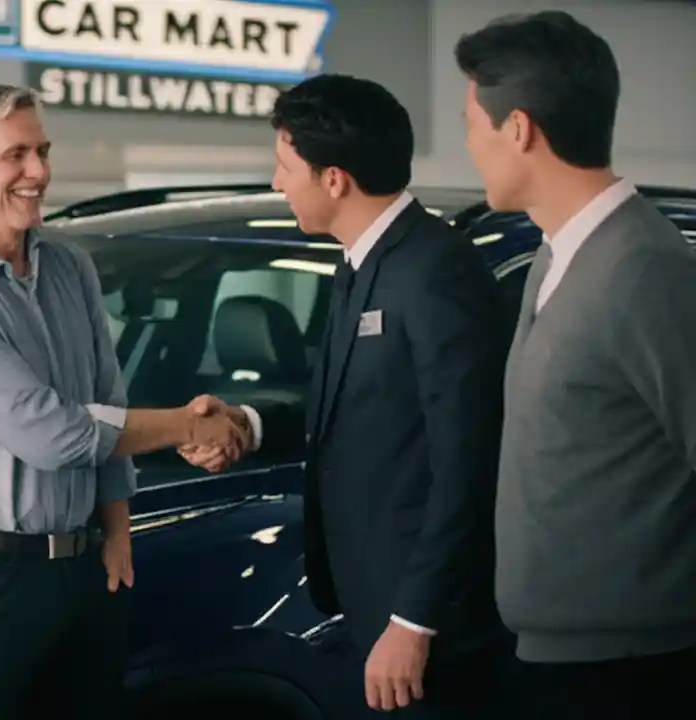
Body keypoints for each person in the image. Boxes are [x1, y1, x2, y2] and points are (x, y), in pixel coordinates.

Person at [0, 84, 252, 720]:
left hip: (85, 569)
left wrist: (117, 528)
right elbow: (53, 435)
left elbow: (105, 398)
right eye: (16, 155)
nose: (38, 172)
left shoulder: (69, 267)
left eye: (42, 151)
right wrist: (188, 425)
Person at [181, 74, 512, 717]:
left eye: (284, 166)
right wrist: (248, 423)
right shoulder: (362, 259)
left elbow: (469, 461)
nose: (277, 184)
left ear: (334, 178)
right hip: (368, 606)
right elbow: (362, 404)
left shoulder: (435, 268)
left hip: (427, 627)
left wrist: (415, 622)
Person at [455, 11, 696, 718]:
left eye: (473, 125)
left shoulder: (647, 270)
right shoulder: (558, 255)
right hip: (555, 653)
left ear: (520, 129)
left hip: (632, 671)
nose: (471, 147)